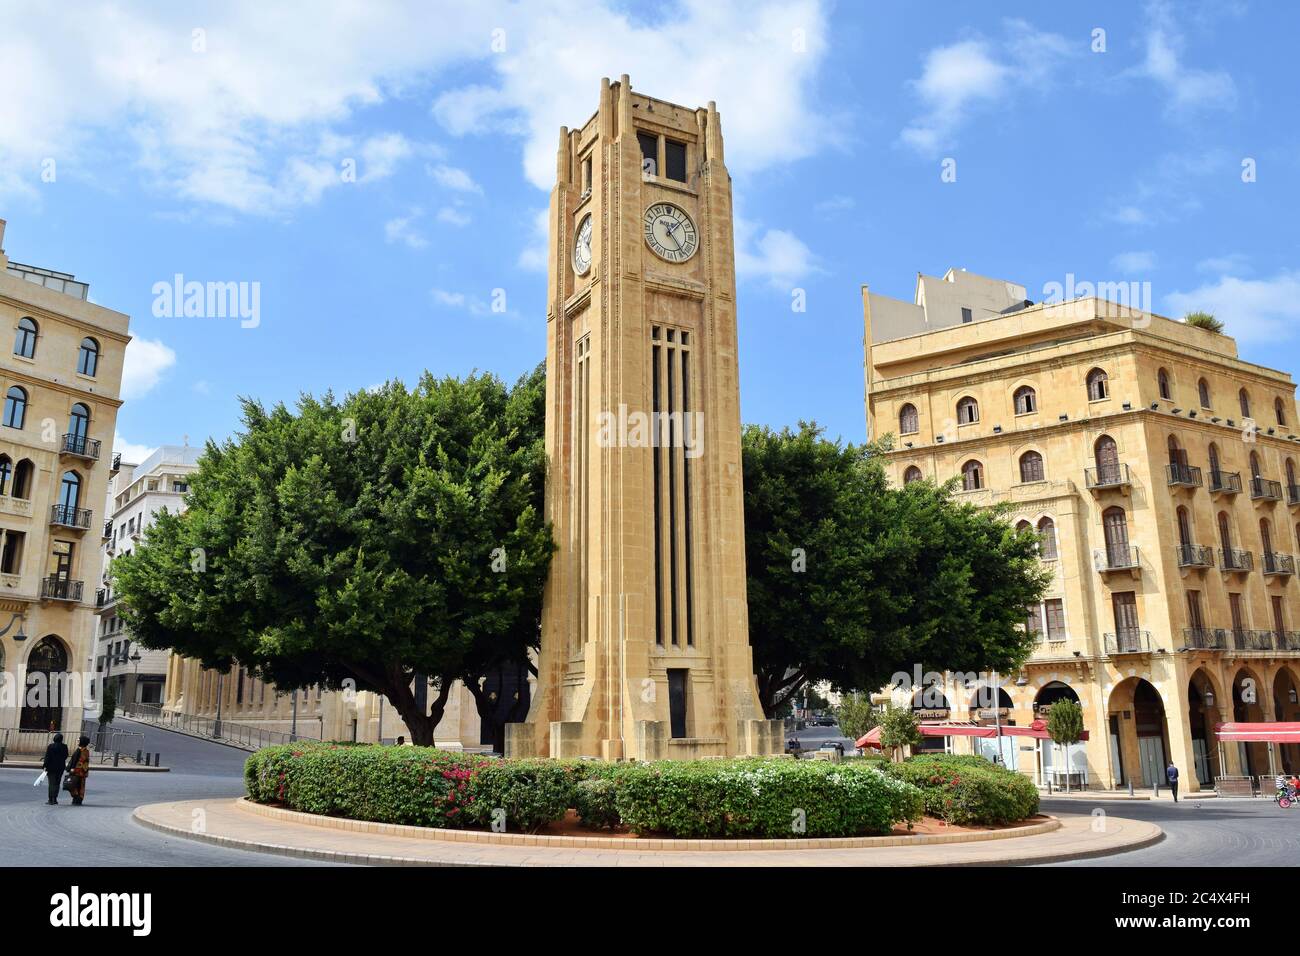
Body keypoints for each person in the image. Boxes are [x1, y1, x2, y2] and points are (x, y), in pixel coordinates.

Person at [41, 733, 68, 806]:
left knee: (51, 783)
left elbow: (47, 757)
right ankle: (55, 798)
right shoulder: (64, 747)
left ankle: (50, 799)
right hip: (60, 767)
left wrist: (44, 766)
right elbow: (66, 756)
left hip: (51, 767)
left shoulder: (51, 746)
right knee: (57, 783)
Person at [64, 735, 91, 806]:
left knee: (74, 784)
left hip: (77, 771)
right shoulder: (86, 751)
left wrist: (72, 768)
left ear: (82, 742)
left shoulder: (79, 750)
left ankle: (76, 798)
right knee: (81, 785)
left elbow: (74, 760)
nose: (77, 741)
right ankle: (79, 799)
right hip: (83, 771)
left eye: (78, 740)